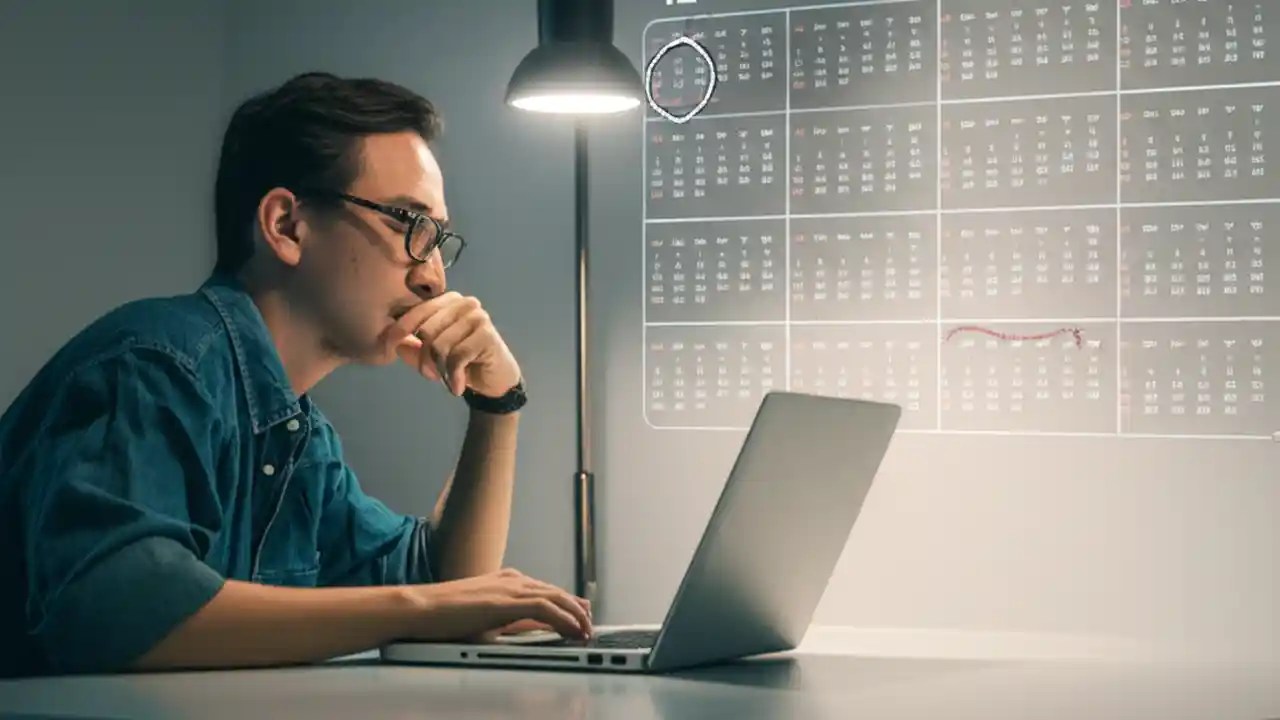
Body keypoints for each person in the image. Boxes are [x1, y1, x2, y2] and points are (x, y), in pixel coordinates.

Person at [0, 71, 593, 678]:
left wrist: (498, 404)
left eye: (438, 239)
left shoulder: (299, 438)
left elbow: (448, 588)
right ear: (285, 226)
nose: (433, 277)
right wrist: (419, 607)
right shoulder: (156, 368)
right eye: (407, 225)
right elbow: (121, 613)